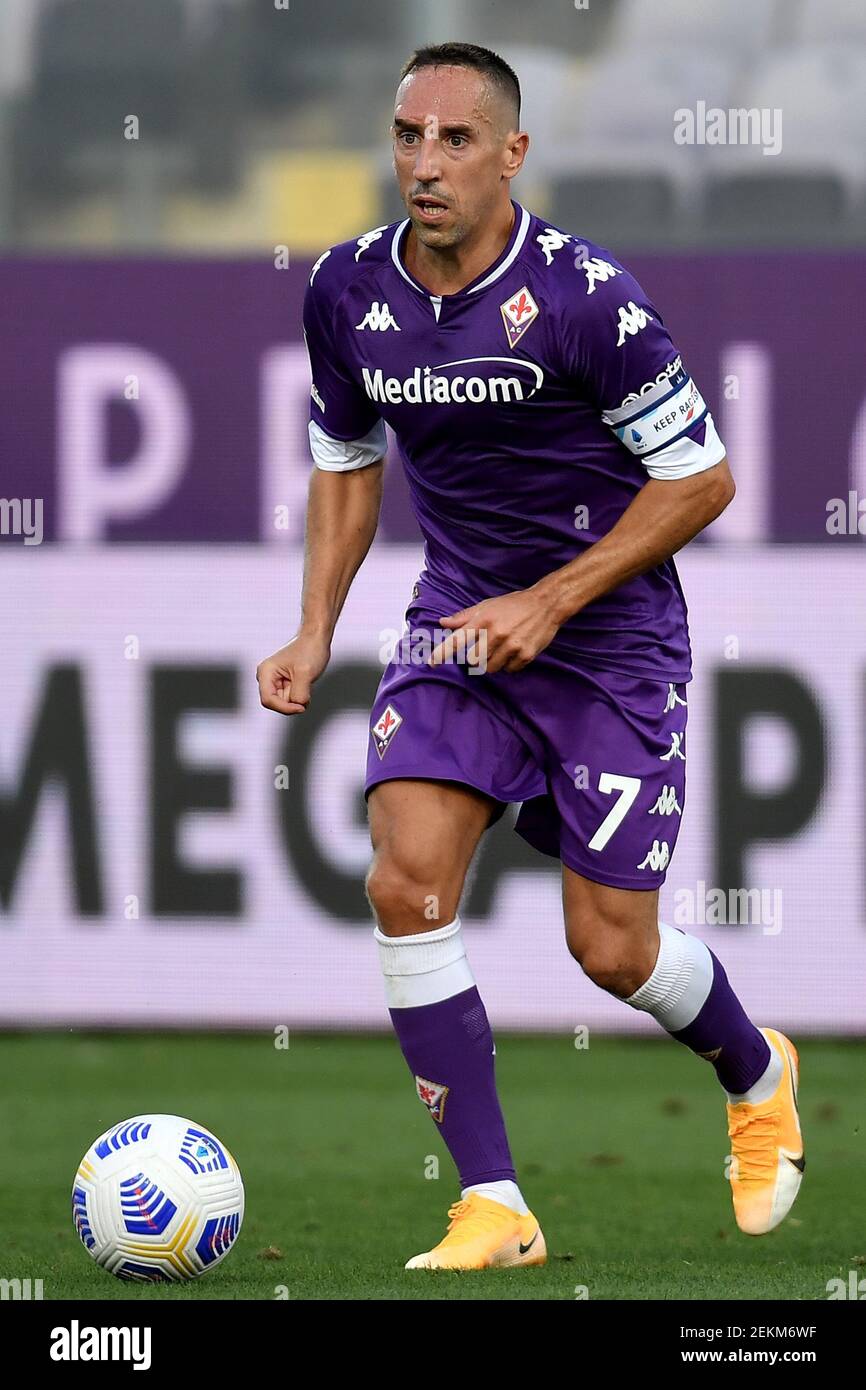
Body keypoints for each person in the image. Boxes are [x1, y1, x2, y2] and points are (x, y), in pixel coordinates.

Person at [257, 41, 804, 1272]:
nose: (423, 163)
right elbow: (347, 462)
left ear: (511, 153)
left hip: (605, 637)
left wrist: (554, 599)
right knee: (403, 879)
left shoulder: (583, 298)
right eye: (406, 135)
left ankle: (752, 1065)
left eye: (454, 140)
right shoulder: (344, 289)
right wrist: (313, 629)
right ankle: (494, 1202)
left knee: (608, 946)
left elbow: (702, 476)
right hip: (458, 618)